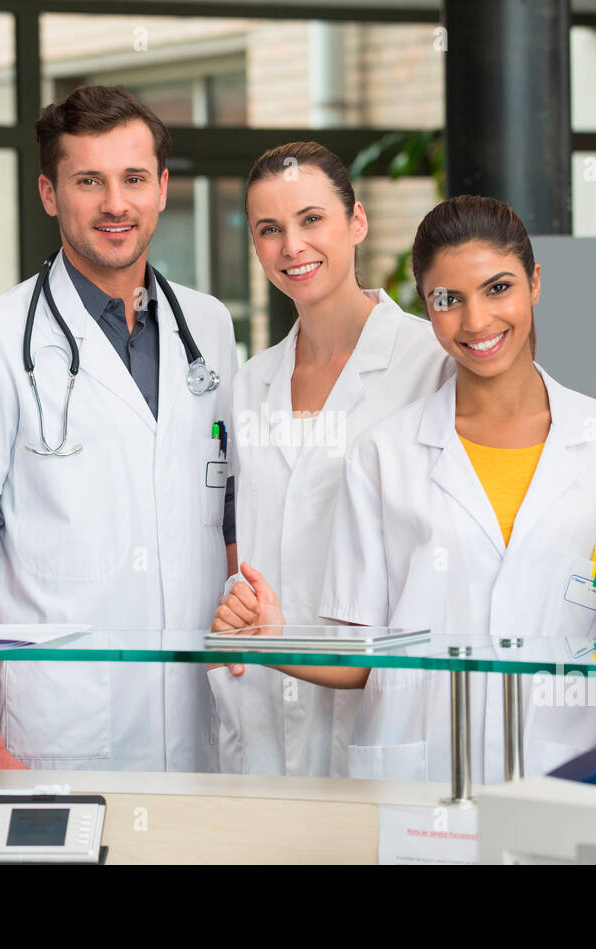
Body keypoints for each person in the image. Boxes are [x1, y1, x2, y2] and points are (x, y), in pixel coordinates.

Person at [214, 195, 596, 781]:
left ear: (535, 283)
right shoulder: (385, 454)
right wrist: (274, 639)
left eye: (498, 288)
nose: (476, 321)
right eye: (448, 300)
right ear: (426, 309)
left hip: (572, 774)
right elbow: (364, 654)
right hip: (420, 777)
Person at [0, 85, 239, 771]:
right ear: (49, 192)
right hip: (58, 726)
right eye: (88, 181)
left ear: (162, 188)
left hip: (199, 716)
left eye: (133, 179)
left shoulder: (210, 327)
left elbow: (228, 514)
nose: (115, 204)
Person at [206, 142, 453, 777]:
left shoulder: (433, 363)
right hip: (264, 690)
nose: (292, 246)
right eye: (269, 229)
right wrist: (239, 604)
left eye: (311, 219)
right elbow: (253, 535)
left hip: (379, 696)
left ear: (357, 221)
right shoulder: (252, 382)